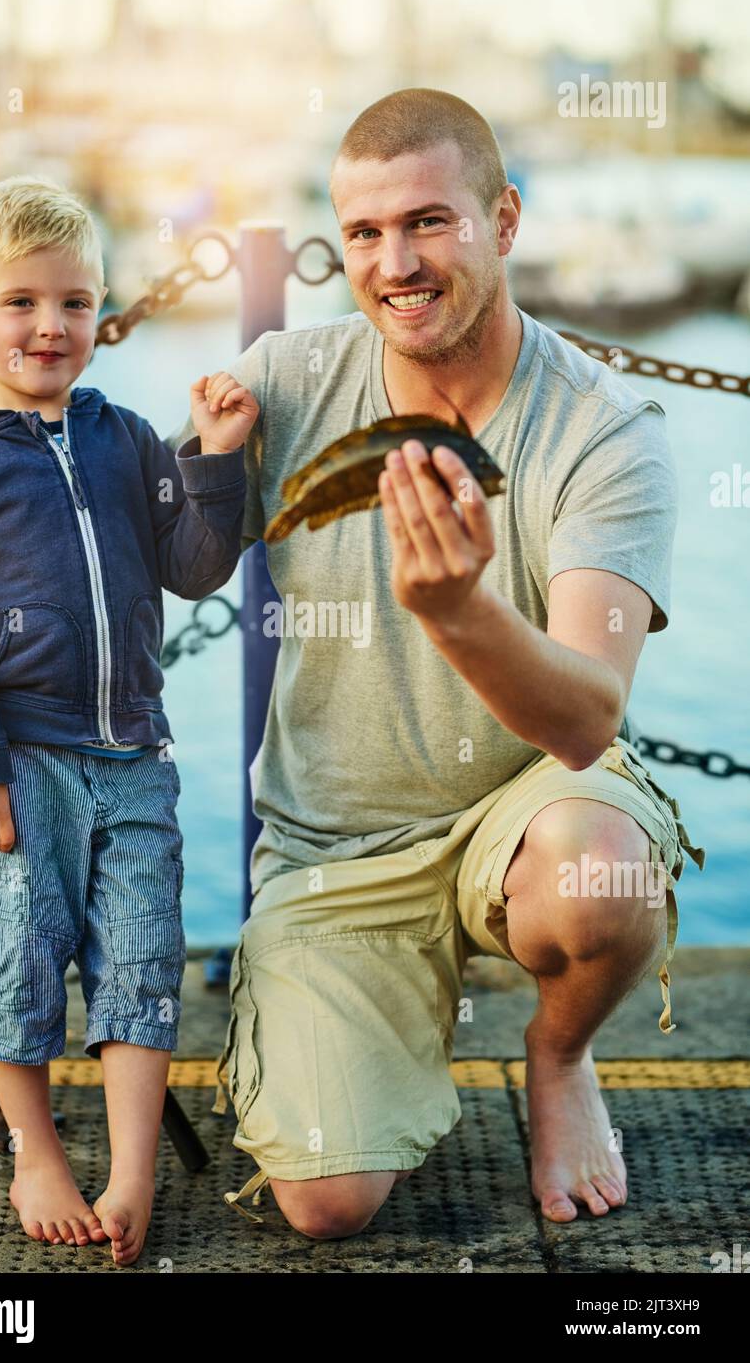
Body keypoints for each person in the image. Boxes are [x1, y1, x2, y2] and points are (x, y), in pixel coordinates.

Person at [189, 88, 705, 1235]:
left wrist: (459, 610)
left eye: (429, 221)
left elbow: (589, 718)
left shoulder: (605, 430)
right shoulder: (285, 381)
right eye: (365, 232)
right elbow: (125, 557)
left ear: (505, 221)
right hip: (334, 847)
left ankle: (559, 1054)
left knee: (596, 867)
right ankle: (359, 1010)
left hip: (526, 810)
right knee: (326, 1203)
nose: (395, 262)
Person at [0, 175, 258, 1264]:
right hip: (20, 757)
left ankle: (135, 1167)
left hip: (135, 752)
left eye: (75, 303)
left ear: (101, 309)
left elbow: (194, 569)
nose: (51, 326)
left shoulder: (130, 438)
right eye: (21, 303)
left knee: (143, 956)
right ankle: (35, 1145)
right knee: (17, 950)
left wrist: (218, 460)